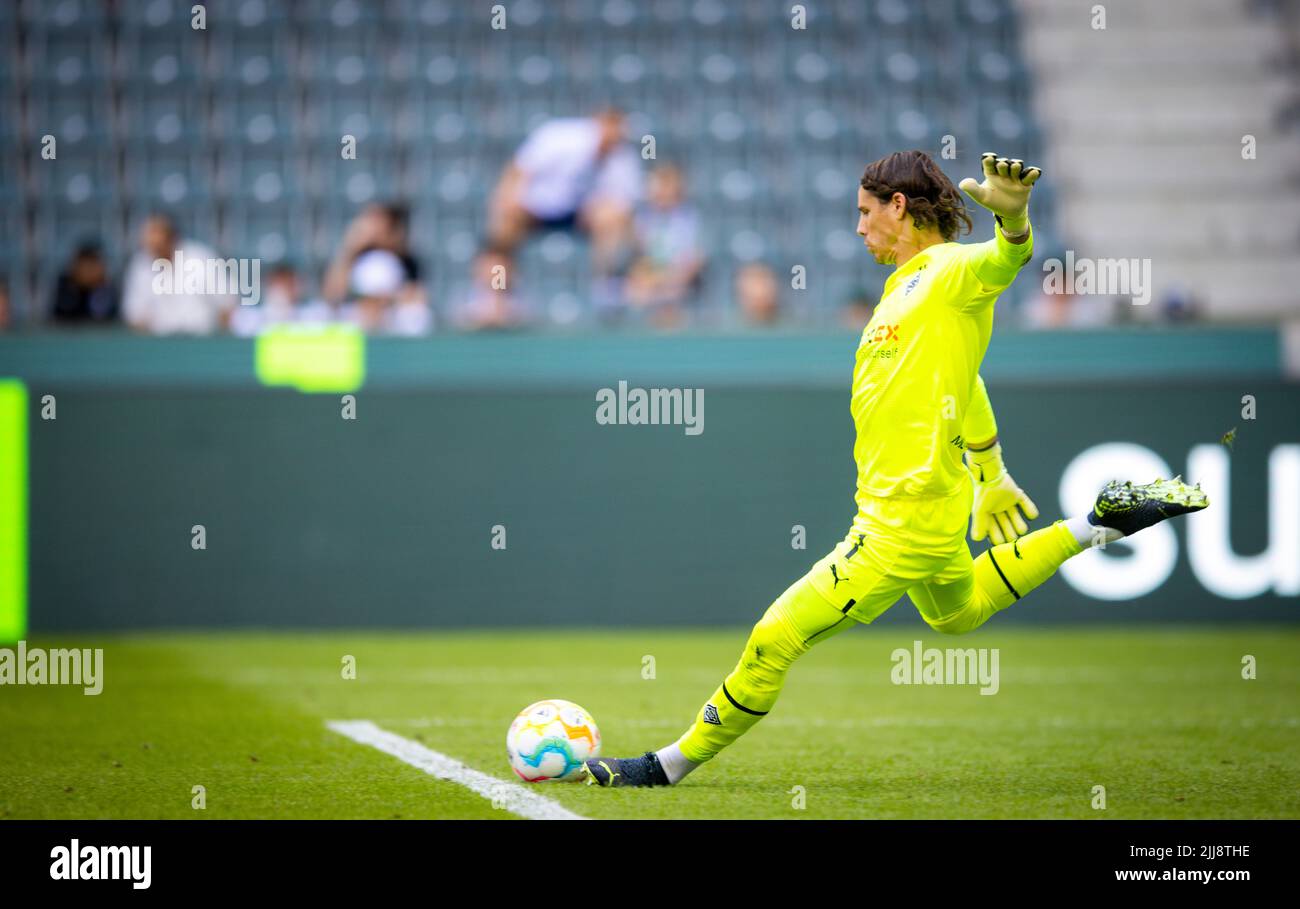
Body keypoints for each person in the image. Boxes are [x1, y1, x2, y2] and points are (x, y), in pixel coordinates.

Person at [583, 150, 1210, 788]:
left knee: (774, 636)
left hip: (897, 524)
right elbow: (966, 383)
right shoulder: (905, 288)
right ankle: (1097, 524)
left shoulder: (947, 271)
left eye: (864, 212)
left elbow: (1001, 260)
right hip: (931, 505)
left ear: (898, 207)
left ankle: (666, 768)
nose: (858, 228)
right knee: (957, 613)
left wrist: (1015, 224)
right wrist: (990, 473)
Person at [485, 108, 642, 315]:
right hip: (536, 209)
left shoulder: (622, 155)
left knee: (615, 220)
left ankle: (606, 291)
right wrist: (508, 199)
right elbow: (520, 170)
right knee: (503, 229)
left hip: (581, 214)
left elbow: (625, 201)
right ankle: (497, 298)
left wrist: (600, 208)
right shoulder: (560, 137)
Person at [121, 213, 234, 335]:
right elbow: (134, 316)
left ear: (172, 238)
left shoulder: (201, 258)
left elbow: (227, 305)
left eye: (156, 237)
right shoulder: (140, 265)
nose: (151, 243)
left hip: (202, 340)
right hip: (159, 344)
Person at [624, 164, 705, 327]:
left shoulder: (690, 218)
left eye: (669, 187)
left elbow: (695, 258)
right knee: (635, 294)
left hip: (679, 282)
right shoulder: (641, 218)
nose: (663, 193)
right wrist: (650, 278)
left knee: (671, 300)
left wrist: (672, 280)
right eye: (660, 187)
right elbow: (638, 256)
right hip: (648, 280)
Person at [51, 242, 118, 324]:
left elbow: (107, 318)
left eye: (92, 265)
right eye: (85, 265)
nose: (88, 271)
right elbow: (62, 317)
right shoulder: (65, 286)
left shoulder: (107, 287)